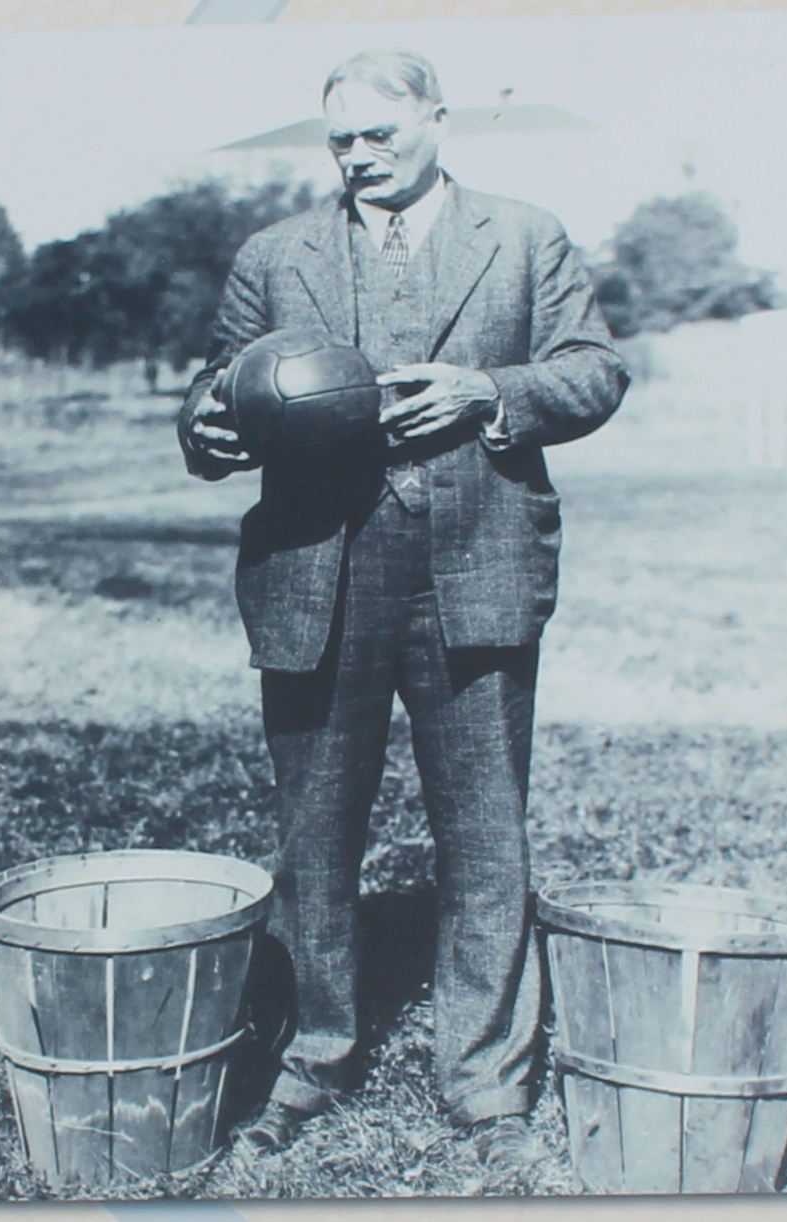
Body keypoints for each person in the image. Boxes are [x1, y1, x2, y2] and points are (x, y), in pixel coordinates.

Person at [178, 48, 628, 1186]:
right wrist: (208, 429)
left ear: (437, 120)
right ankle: (310, 1060)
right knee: (314, 841)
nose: (358, 156)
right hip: (315, 576)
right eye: (340, 139)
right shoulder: (273, 255)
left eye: (380, 134)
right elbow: (210, 391)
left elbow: (593, 372)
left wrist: (492, 393)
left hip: (475, 571)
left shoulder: (525, 237)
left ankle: (485, 1084)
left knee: (485, 840)